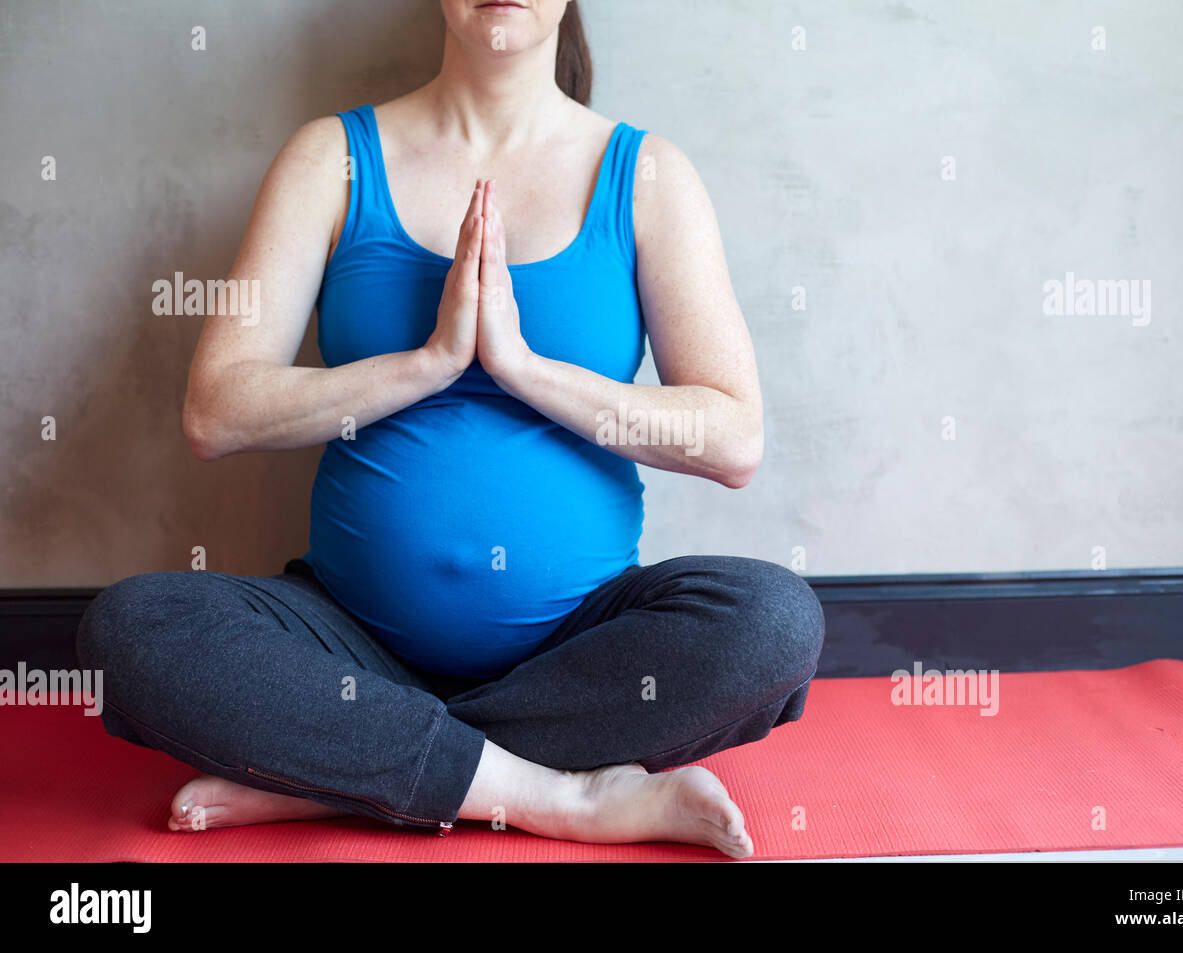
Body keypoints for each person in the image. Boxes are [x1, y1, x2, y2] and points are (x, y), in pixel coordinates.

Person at [77, 0, 823, 859]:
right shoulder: (332, 159)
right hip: (346, 646)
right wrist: (428, 361)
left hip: (581, 651)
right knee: (133, 627)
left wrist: (522, 368)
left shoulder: (647, 173)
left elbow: (734, 438)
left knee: (773, 621)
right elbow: (216, 410)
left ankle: (345, 772)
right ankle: (554, 793)